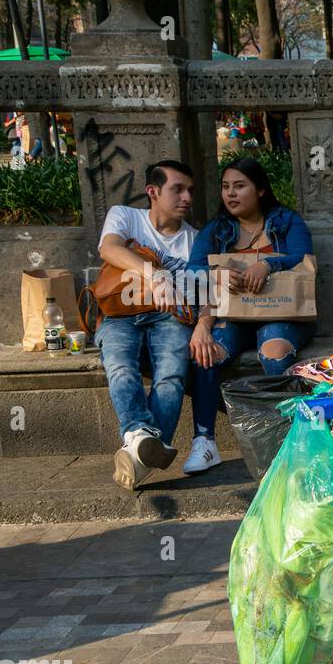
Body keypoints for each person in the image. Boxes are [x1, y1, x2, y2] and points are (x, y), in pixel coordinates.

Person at [183, 157, 315, 474]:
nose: (231, 194)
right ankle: (204, 442)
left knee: (274, 353)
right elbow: (191, 271)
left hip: (282, 313)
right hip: (231, 315)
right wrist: (217, 272)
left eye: (239, 186)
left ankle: (285, 438)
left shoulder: (286, 221)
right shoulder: (217, 229)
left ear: (260, 190)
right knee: (207, 354)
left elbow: (303, 256)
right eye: (226, 187)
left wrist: (269, 263)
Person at [96, 160, 199, 491]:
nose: (187, 198)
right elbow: (108, 248)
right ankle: (145, 441)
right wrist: (155, 275)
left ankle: (137, 453)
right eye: (177, 189)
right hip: (119, 313)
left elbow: (203, 292)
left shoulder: (195, 241)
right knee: (120, 368)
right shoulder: (125, 216)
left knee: (170, 377)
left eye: (190, 191)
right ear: (152, 192)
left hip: (168, 316)